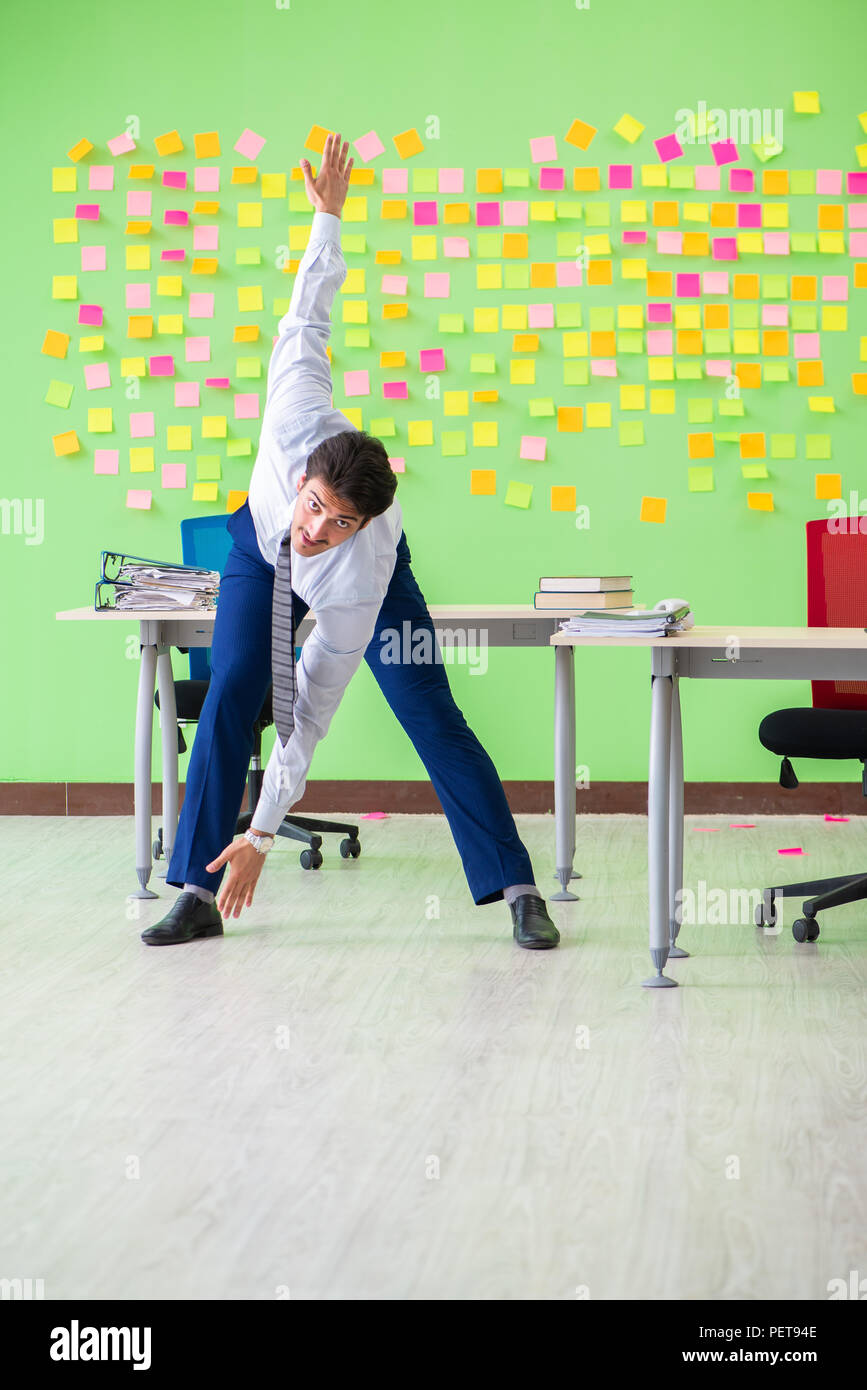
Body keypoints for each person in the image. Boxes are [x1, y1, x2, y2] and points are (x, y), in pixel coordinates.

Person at [142, 131, 560, 952]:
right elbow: (309, 307)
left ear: (364, 524)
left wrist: (261, 835)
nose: (320, 530)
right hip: (255, 555)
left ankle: (517, 888)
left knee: (430, 713)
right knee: (231, 689)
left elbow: (306, 713)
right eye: (318, 508)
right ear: (303, 476)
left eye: (340, 523)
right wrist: (327, 217)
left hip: (366, 589)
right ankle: (194, 888)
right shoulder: (294, 406)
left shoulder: (359, 567)